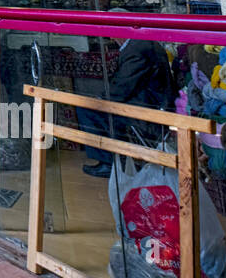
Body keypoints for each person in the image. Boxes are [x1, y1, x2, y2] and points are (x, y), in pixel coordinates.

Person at [76, 36, 177, 178]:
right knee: (94, 106)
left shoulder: (138, 48)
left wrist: (101, 100)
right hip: (148, 103)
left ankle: (108, 162)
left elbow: (124, 86)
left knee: (87, 109)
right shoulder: (142, 44)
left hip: (147, 109)